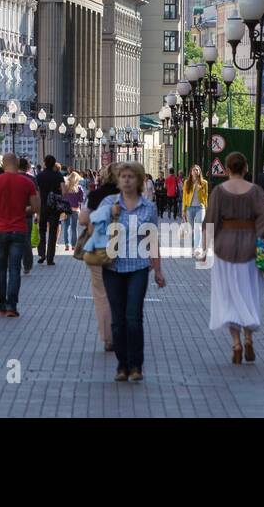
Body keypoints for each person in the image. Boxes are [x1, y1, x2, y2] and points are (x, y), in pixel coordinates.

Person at [199, 152, 264, 364]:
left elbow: (210, 222)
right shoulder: (256, 191)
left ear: (228, 169)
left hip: (224, 248)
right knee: (250, 293)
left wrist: (203, 250)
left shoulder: (219, 192)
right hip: (250, 248)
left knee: (228, 296)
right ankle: (249, 338)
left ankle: (236, 343)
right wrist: (256, 235)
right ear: (245, 168)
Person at [101, 162, 165, 382]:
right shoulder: (109, 203)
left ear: (138, 181)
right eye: (123, 176)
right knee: (118, 320)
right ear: (118, 181)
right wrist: (108, 215)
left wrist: (158, 270)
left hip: (138, 267)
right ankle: (122, 365)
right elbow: (90, 226)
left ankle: (136, 365)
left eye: (130, 176)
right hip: (112, 267)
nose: (126, 180)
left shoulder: (148, 208)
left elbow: (153, 239)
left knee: (133, 317)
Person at [0, 152, 40, 318]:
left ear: (3, 163)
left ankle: (0, 304)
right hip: (19, 230)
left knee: (0, 267)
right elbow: (35, 207)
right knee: (15, 268)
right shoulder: (27, 182)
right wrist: (23, 210)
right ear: (17, 163)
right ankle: (11, 306)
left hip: (0, 230)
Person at [78, 164, 120, 352]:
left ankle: (108, 338)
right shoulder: (130, 195)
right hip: (125, 247)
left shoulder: (95, 196)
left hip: (100, 247)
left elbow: (83, 220)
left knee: (101, 294)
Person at [35, 156, 65, 266]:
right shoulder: (58, 175)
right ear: (54, 164)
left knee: (42, 230)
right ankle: (50, 258)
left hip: (42, 206)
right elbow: (64, 191)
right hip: (54, 207)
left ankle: (42, 253)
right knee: (53, 232)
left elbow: (36, 192)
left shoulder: (39, 176)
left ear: (45, 163)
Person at [17, 157, 37, 275]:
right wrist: (36, 212)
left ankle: (14, 264)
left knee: (13, 240)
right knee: (26, 240)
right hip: (28, 213)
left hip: (13, 214)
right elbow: (36, 198)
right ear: (28, 167)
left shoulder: (11, 178)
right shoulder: (32, 180)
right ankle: (27, 265)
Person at [183, 164, 209, 252]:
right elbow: (184, 197)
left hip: (200, 208)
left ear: (199, 172)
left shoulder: (204, 182)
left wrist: (206, 207)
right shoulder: (187, 182)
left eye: (197, 170)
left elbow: (205, 196)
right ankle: (191, 246)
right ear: (191, 172)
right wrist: (184, 210)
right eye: (194, 170)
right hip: (190, 208)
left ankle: (197, 248)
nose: (195, 171)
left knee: (198, 228)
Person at [61, 168, 82, 252]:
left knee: (66, 227)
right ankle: (74, 245)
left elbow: (62, 197)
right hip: (75, 209)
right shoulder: (79, 188)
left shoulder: (65, 187)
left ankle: (66, 245)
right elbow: (81, 199)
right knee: (74, 228)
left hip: (66, 209)